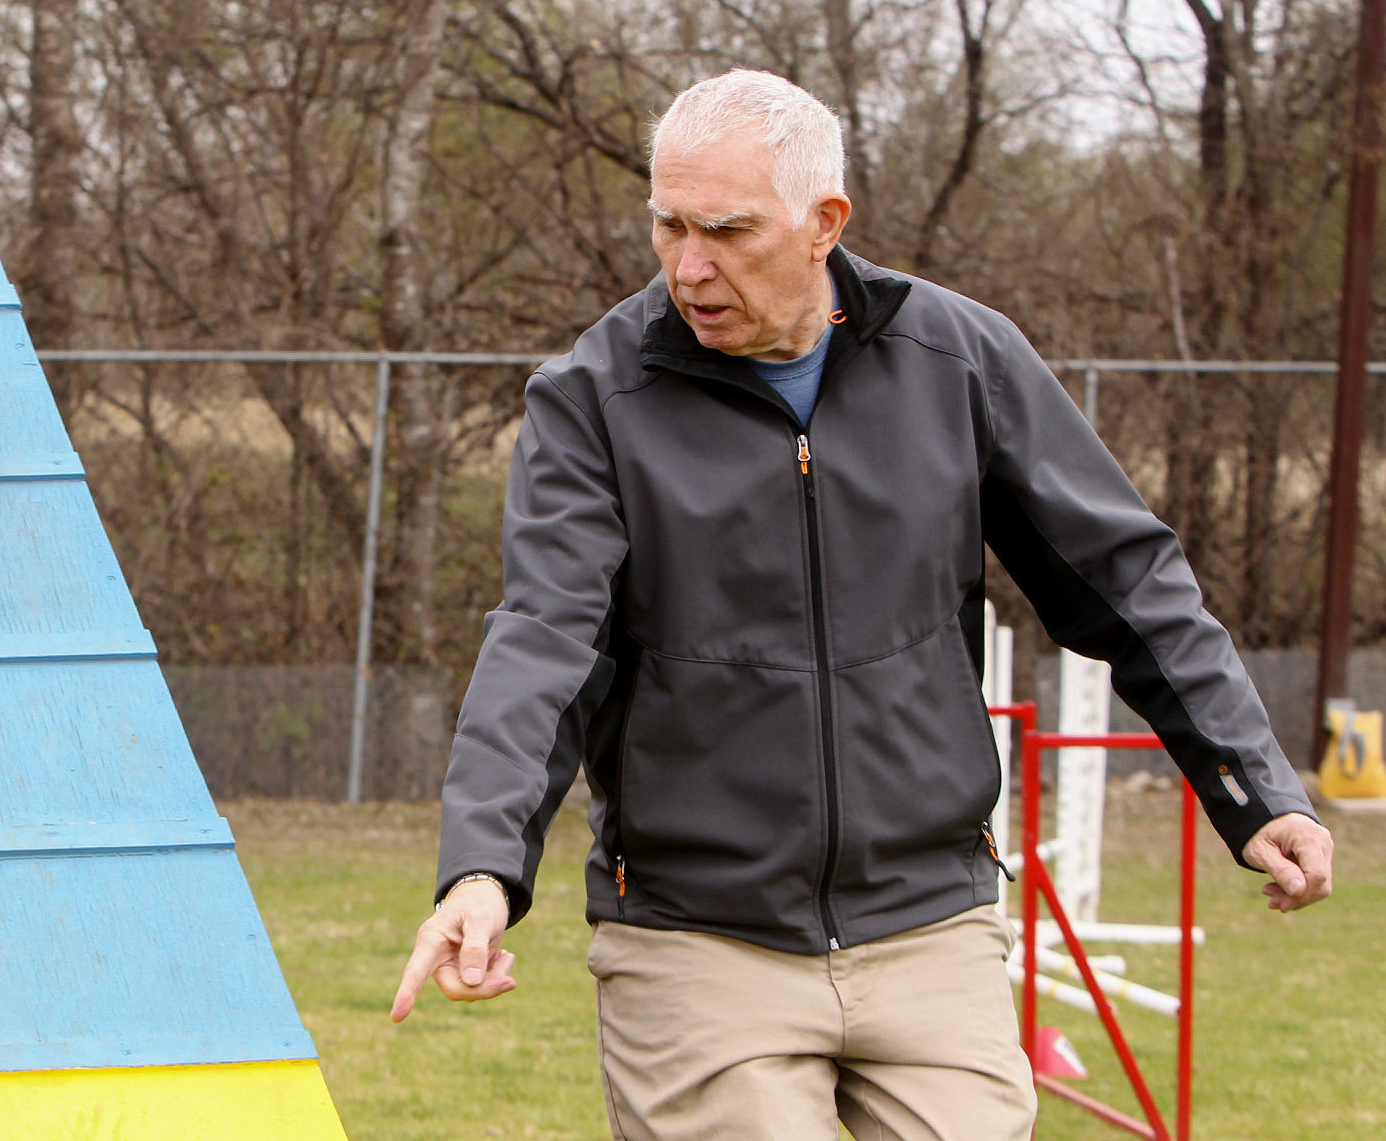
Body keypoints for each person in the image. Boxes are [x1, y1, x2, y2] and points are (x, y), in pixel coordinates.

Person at [388, 70, 1334, 1140]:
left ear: (821, 224)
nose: (687, 266)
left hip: (929, 924)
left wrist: (1256, 792)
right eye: (665, 226)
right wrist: (480, 866)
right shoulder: (592, 400)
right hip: (700, 943)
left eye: (725, 230)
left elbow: (1126, 582)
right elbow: (543, 639)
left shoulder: (959, 360)